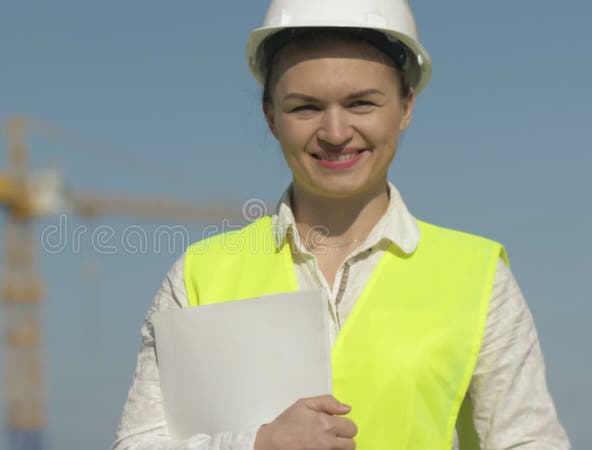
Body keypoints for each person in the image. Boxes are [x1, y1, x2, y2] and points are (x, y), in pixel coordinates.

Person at [112, 0, 570, 449]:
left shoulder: (479, 278)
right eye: (305, 108)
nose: (335, 132)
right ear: (271, 117)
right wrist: (257, 445)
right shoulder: (199, 276)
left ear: (405, 106)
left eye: (361, 104)